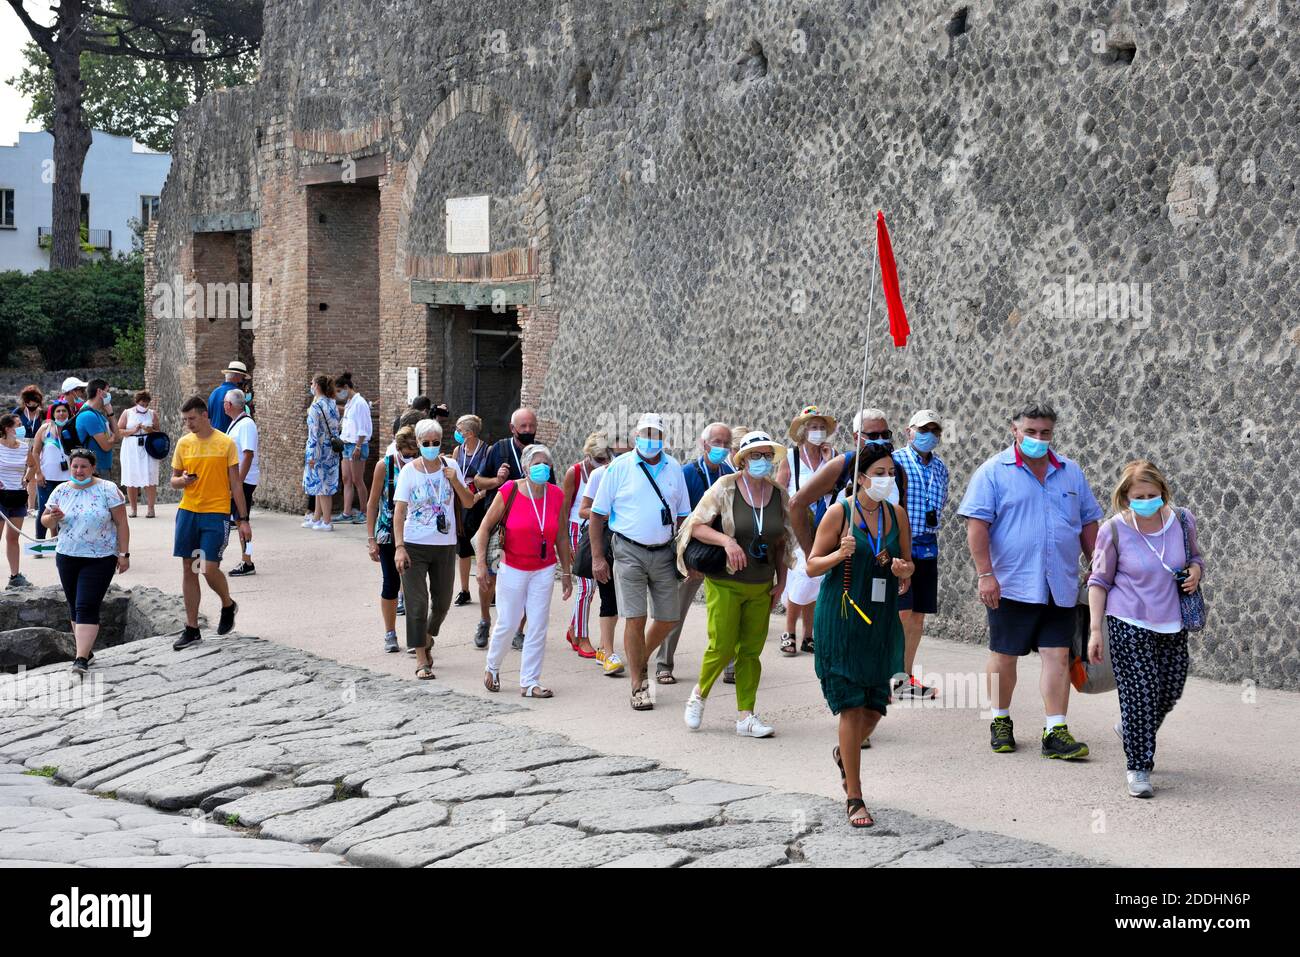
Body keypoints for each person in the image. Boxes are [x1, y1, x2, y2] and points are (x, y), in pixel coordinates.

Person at [957, 401, 1102, 760]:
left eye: (1045, 433)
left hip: (1060, 583)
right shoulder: (992, 472)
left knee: (1058, 654)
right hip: (1011, 583)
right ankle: (1000, 720)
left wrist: (1096, 567)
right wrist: (985, 575)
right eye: (1031, 431)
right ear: (1015, 430)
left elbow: (1088, 523)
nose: (1038, 439)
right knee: (1005, 655)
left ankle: (1055, 730)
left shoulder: (1070, 472)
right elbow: (977, 525)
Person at [806, 441, 913, 828]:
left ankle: (844, 754)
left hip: (880, 618)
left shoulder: (897, 514)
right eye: (879, 473)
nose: (886, 480)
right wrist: (839, 554)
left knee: (876, 705)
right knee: (851, 705)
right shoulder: (841, 513)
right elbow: (812, 567)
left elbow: (907, 564)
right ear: (861, 477)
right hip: (842, 616)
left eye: (891, 474)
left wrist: (904, 570)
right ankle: (855, 796)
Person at [1087, 461, 1203, 798]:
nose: (1147, 500)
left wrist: (1195, 571)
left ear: (1163, 493)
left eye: (1153, 494)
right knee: (1139, 693)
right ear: (1126, 496)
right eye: (1139, 495)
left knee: (1169, 690)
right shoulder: (1113, 530)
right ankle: (1138, 767)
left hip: (1172, 621)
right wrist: (1096, 630)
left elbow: (1195, 558)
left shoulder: (1182, 520)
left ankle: (1131, 729)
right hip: (1128, 619)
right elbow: (1098, 581)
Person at [679, 430, 792, 737]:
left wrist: (781, 582)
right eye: (756, 455)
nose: (763, 461)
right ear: (742, 459)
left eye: (768, 455)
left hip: (760, 584)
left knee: (751, 651)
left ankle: (746, 715)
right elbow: (697, 525)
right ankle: (699, 695)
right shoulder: (725, 487)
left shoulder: (778, 493)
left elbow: (781, 541)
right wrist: (727, 541)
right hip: (726, 581)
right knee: (722, 645)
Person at [589, 412, 692, 711]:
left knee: (669, 618)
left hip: (663, 551)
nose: (650, 440)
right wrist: (598, 558)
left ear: (664, 438)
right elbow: (597, 515)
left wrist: (683, 553)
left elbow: (684, 513)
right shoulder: (619, 468)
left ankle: (638, 657)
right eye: (646, 434)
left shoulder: (674, 468)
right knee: (635, 617)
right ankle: (638, 684)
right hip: (628, 550)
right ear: (636, 437)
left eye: (656, 434)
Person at [477, 444, 573, 697]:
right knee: (508, 622)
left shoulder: (556, 494)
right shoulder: (509, 490)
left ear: (551, 467)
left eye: (545, 463)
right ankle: (492, 666)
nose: (541, 467)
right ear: (526, 467)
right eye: (535, 463)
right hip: (512, 567)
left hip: (544, 568)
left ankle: (530, 682)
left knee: (538, 624)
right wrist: (480, 566)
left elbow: (561, 535)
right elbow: (485, 528)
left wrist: (566, 572)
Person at [392, 418, 476, 678]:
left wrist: (455, 481)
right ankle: (421, 659)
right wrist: (399, 547)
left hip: (444, 544)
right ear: (418, 444)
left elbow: (469, 502)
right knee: (417, 604)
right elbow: (399, 512)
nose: (431, 446)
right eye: (426, 443)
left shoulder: (450, 466)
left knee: (441, 602)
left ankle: (427, 636)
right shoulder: (409, 472)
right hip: (414, 544)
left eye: (435, 442)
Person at [654, 422, 733, 683]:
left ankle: (730, 664)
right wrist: (685, 558)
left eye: (726, 443)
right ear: (704, 444)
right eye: (717, 442)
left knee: (725, 612)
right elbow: (679, 518)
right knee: (675, 611)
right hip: (691, 553)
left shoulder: (729, 474)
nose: (721, 447)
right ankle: (664, 664)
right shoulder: (687, 473)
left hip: (720, 551)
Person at [39, 447, 130, 674]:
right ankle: (86, 649)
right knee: (74, 604)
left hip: (100, 556)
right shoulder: (61, 490)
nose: (79, 471)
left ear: (93, 468)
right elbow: (45, 522)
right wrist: (53, 517)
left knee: (86, 604)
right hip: (67, 554)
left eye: (84, 467)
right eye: (75, 466)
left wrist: (124, 554)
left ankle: (80, 659)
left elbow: (122, 523)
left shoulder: (108, 489)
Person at [169, 396, 250, 650]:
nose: (188, 424)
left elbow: (236, 483)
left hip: (216, 513)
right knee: (189, 568)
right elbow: (173, 480)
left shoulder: (225, 443)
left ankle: (227, 604)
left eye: (192, 418)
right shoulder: (184, 444)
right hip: (188, 511)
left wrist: (243, 519)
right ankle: (192, 628)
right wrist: (182, 481)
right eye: (185, 420)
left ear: (205, 416)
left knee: (208, 567)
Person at [892, 409, 949, 699]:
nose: (929, 435)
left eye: (934, 431)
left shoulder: (940, 468)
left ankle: (903, 679)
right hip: (901, 545)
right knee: (899, 613)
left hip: (927, 546)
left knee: (917, 618)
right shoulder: (895, 461)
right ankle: (883, 677)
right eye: (923, 429)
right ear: (909, 431)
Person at [774, 405, 839, 657]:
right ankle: (789, 631)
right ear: (803, 431)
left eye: (822, 427)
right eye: (813, 427)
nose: (818, 431)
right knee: (803, 575)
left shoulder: (832, 457)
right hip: (796, 526)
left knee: (816, 577)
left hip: (823, 523)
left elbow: (838, 485)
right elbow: (780, 491)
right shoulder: (790, 457)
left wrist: (827, 461)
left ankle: (808, 635)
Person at [472, 408, 538, 650]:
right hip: (500, 525)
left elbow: (550, 488)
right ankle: (485, 620)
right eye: (524, 427)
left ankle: (518, 630)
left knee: (526, 581)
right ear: (513, 429)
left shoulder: (539, 454)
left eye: (532, 426)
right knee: (490, 576)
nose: (528, 430)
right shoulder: (498, 449)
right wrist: (497, 481)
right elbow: (478, 481)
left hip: (529, 526)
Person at [366, 425, 419, 653]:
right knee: (391, 583)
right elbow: (372, 503)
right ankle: (390, 633)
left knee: (413, 587)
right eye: (407, 453)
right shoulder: (384, 466)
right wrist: (371, 539)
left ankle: (414, 637)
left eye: (414, 453)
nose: (411, 457)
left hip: (415, 532)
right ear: (399, 449)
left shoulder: (422, 465)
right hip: (388, 533)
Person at [561, 431, 612, 659]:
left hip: (602, 530)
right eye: (600, 459)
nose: (605, 463)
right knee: (587, 586)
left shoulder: (610, 472)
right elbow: (564, 510)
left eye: (607, 457)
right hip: (577, 528)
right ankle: (581, 635)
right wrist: (563, 544)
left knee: (592, 588)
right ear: (589, 455)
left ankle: (574, 629)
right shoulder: (575, 472)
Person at [578, 446, 626, 676]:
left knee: (623, 600)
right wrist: (608, 512)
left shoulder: (639, 473)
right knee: (609, 597)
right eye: (618, 452)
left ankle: (604, 647)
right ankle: (607, 652)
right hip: (606, 541)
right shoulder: (601, 474)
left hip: (631, 544)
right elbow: (584, 510)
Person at [451, 414, 490, 613]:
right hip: (463, 503)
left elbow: (491, 480)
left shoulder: (487, 451)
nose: (456, 433)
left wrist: (479, 495)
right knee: (463, 548)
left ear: (470, 433)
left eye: (459, 430)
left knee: (484, 545)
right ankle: (464, 589)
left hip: (480, 504)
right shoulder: (458, 450)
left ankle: (488, 589)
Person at [30, 402, 75, 552]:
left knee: (65, 510)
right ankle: (39, 545)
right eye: (58, 411)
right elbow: (35, 452)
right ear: (53, 414)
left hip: (67, 478)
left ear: (68, 413)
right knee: (44, 509)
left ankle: (61, 542)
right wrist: (38, 472)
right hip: (47, 477)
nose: (61, 414)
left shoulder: (72, 429)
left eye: (64, 411)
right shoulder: (45, 429)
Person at [224, 390, 259, 576]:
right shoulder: (236, 423)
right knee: (239, 521)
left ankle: (248, 561)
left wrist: (237, 481)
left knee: (242, 521)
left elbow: (248, 454)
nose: (223, 405)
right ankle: (247, 559)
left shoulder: (246, 424)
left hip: (244, 480)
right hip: (239, 479)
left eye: (225, 402)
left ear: (229, 405)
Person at [303, 374, 341, 531]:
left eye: (312, 383)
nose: (310, 386)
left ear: (317, 386)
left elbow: (313, 432)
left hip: (318, 450)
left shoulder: (316, 407)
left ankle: (326, 521)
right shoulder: (332, 403)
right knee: (321, 484)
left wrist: (311, 455)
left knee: (323, 486)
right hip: (331, 449)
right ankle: (317, 518)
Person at [0, 414, 35, 588]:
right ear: (7, 428)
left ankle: (15, 577)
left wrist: (26, 480)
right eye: (18, 424)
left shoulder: (23, 447)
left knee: (13, 538)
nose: (22, 427)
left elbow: (32, 465)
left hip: (17, 496)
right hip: (1, 496)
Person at [334, 371, 372, 525]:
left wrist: (358, 446)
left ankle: (364, 511)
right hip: (346, 444)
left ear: (345, 387)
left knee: (357, 479)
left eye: (338, 391)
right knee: (346, 479)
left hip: (357, 445)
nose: (338, 394)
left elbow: (363, 427)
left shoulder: (360, 403)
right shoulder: (350, 403)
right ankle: (347, 511)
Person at [117, 390, 161, 518]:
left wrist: (150, 430)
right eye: (142, 402)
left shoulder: (152, 414)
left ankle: (151, 509)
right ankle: (133, 509)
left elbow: (158, 431)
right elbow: (119, 430)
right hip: (131, 446)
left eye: (146, 402)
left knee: (150, 476)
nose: (144, 405)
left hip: (148, 446)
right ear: (137, 402)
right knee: (131, 477)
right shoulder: (127, 413)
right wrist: (133, 430)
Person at [74, 380, 117, 478]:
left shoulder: (97, 413)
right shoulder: (88, 415)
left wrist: (110, 413)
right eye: (107, 391)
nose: (109, 394)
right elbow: (106, 446)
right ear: (99, 392)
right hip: (95, 468)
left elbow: (117, 435)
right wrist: (112, 439)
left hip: (103, 466)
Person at [208, 361, 250, 433]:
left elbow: (209, 418)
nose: (242, 380)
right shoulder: (237, 394)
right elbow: (242, 417)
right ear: (237, 376)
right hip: (230, 436)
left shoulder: (214, 393)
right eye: (242, 376)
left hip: (214, 437)